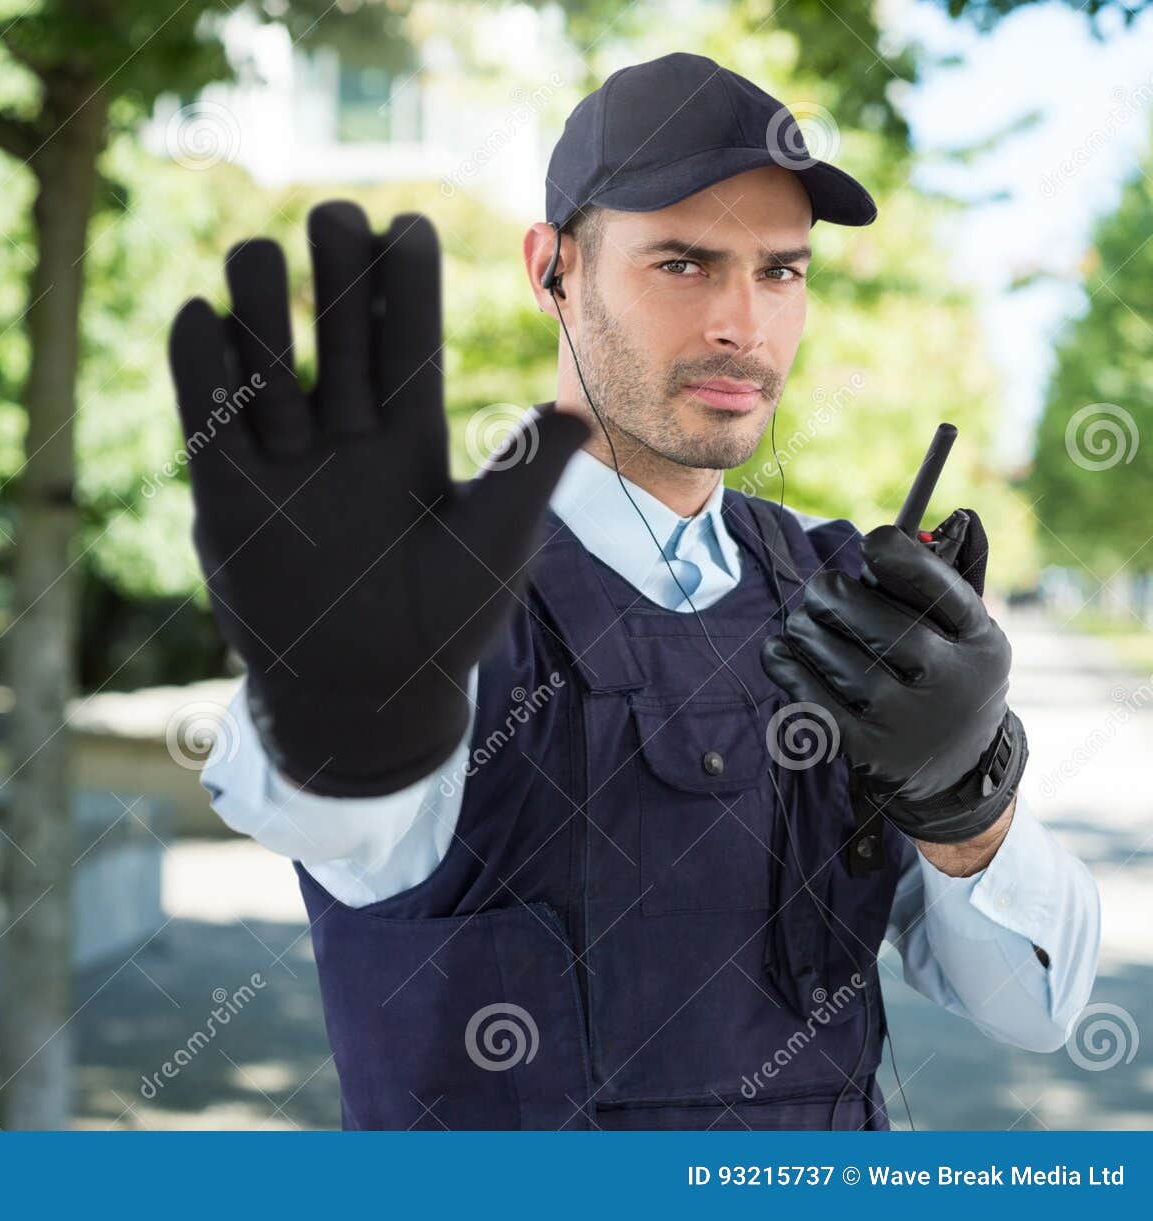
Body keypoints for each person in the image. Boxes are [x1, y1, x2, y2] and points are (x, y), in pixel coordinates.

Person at [167, 51, 1100, 1131]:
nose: (739, 326)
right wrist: (324, 694)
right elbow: (300, 793)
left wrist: (963, 805)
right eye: (682, 263)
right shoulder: (432, 599)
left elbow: (1038, 1007)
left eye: (780, 272)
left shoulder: (843, 602)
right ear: (551, 267)